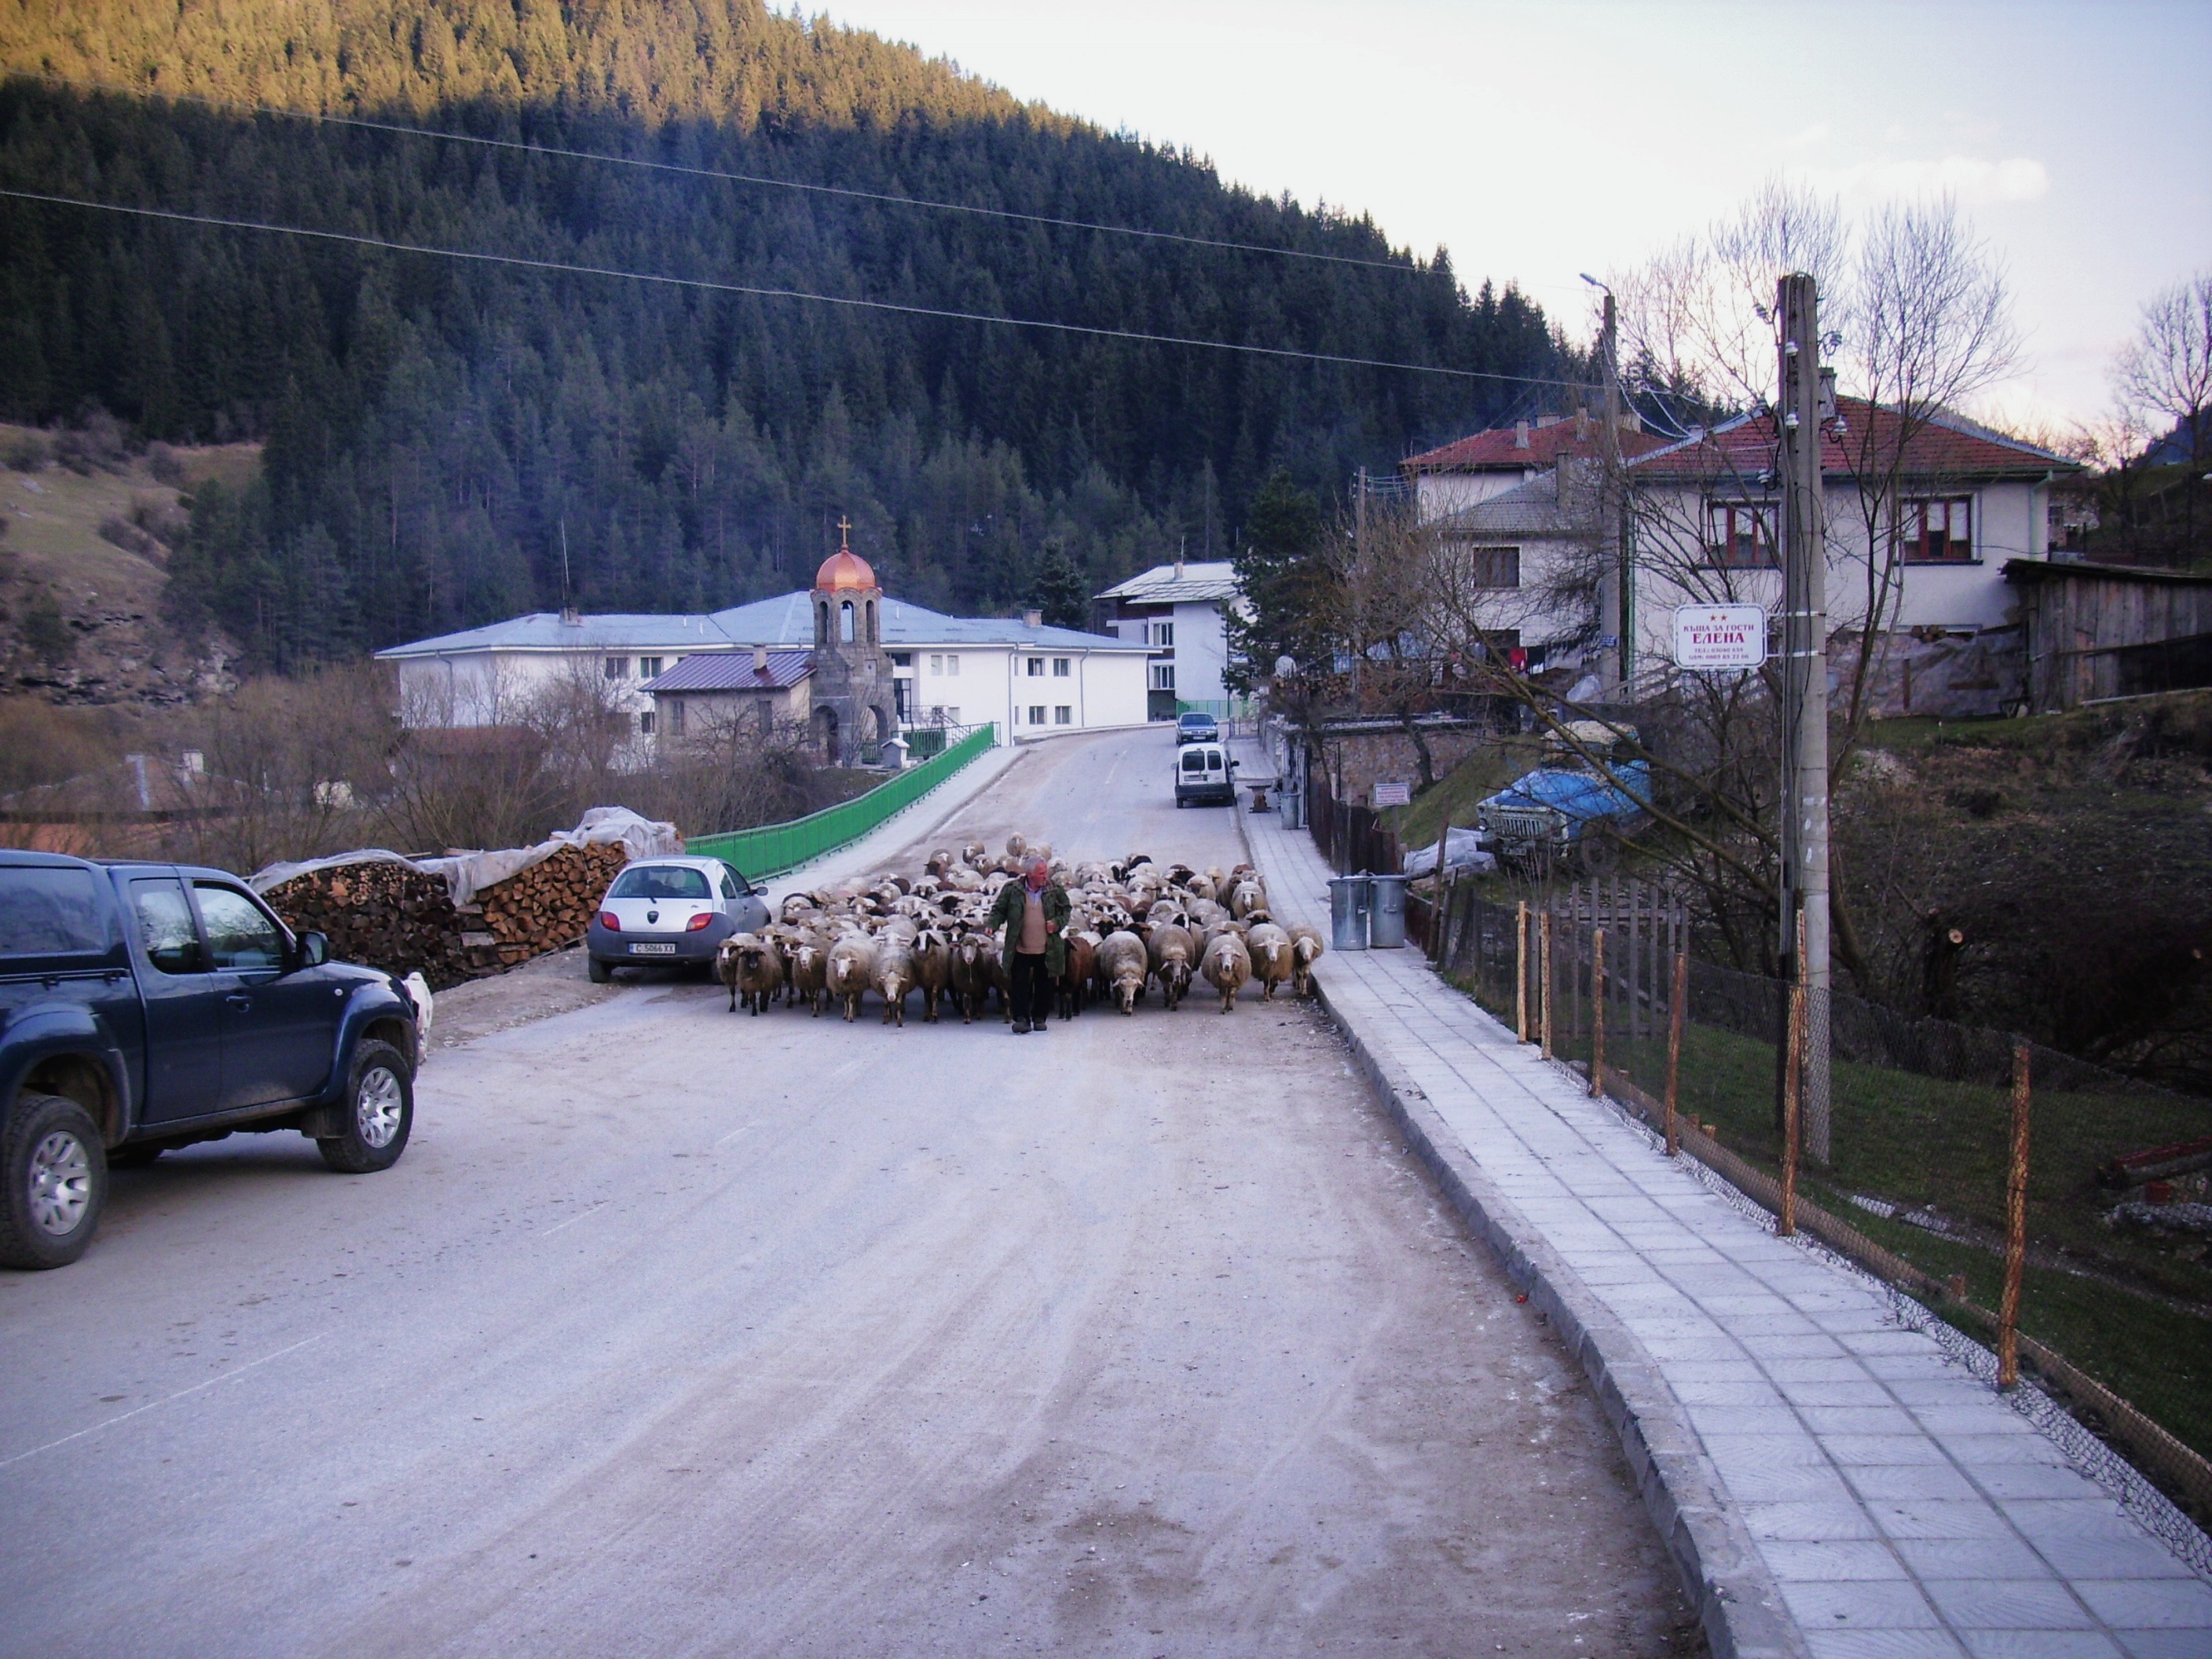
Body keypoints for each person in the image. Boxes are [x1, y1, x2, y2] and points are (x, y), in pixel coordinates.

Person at [987, 855, 1070, 1035]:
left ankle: (1040, 1017)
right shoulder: (1013, 890)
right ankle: (1021, 1019)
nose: (1045, 876)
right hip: (1020, 945)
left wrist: (1056, 923)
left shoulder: (1054, 890)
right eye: (1041, 873)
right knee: (1019, 984)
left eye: (1045, 872)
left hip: (1047, 947)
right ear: (1030, 874)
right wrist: (991, 925)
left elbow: (1066, 909)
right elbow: (999, 909)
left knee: (1045, 984)